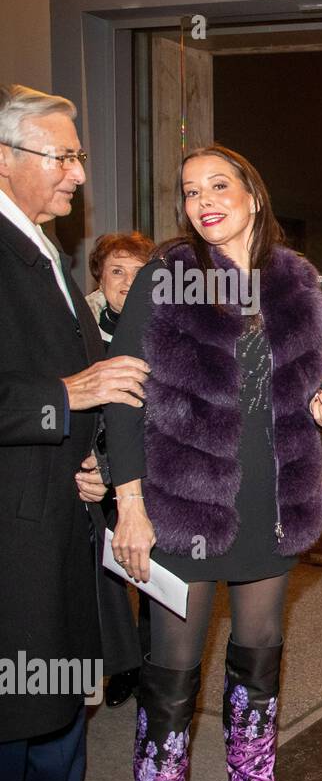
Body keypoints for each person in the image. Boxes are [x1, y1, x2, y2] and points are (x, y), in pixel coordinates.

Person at [104, 143, 322, 781]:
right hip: (182, 506)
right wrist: (130, 503)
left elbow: (305, 389)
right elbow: (123, 394)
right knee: (172, 674)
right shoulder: (168, 275)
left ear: (252, 193)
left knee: (261, 659)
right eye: (189, 191)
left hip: (272, 501)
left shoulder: (297, 281)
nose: (203, 200)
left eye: (218, 185)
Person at [0, 83, 143, 781]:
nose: (79, 174)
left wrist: (90, 453)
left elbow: (90, 366)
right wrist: (65, 397)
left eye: (79, 156)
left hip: (62, 505)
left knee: (58, 681)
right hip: (12, 522)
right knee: (17, 693)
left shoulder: (39, 244)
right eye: (63, 157)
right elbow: (59, 381)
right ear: (3, 158)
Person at [85, 230, 156, 710]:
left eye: (139, 273)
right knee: (105, 572)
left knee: (154, 573)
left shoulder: (165, 325)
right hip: (92, 474)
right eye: (117, 271)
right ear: (100, 277)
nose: (127, 283)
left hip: (146, 469)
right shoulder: (78, 324)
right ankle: (121, 662)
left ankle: (154, 664)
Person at [87, 231, 152, 344]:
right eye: (117, 271)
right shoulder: (78, 334)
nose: (129, 281)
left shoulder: (176, 334)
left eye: (139, 272)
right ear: (101, 282)